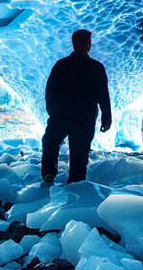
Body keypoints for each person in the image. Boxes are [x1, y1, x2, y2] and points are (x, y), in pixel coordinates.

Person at [41, 29, 112, 183]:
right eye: (87, 42)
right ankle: (75, 183)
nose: (87, 45)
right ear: (88, 45)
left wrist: (52, 111)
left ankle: (49, 173)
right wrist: (106, 118)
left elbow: (50, 90)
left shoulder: (62, 64)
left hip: (62, 114)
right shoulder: (96, 66)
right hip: (84, 117)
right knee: (79, 152)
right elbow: (103, 95)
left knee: (50, 142)